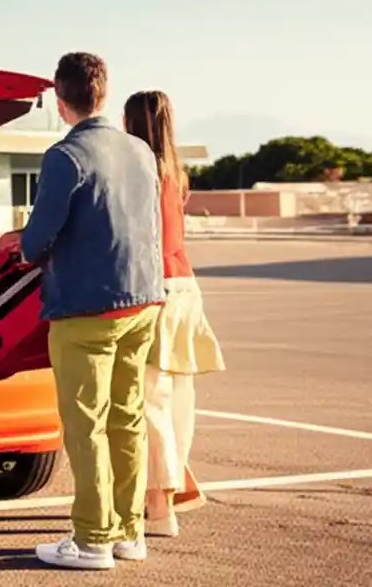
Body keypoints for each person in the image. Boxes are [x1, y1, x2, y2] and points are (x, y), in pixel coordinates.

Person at [19, 52, 166, 571]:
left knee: (86, 424)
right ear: (103, 93)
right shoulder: (141, 151)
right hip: (144, 301)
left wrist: (23, 243)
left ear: (61, 102)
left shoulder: (66, 156)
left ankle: (92, 539)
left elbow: (35, 242)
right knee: (127, 418)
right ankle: (129, 532)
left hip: (86, 309)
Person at [122, 90, 226, 538]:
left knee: (150, 401)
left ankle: (160, 507)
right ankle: (173, 490)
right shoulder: (177, 173)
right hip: (186, 287)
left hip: (157, 287)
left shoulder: (138, 171)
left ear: (131, 123)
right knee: (179, 398)